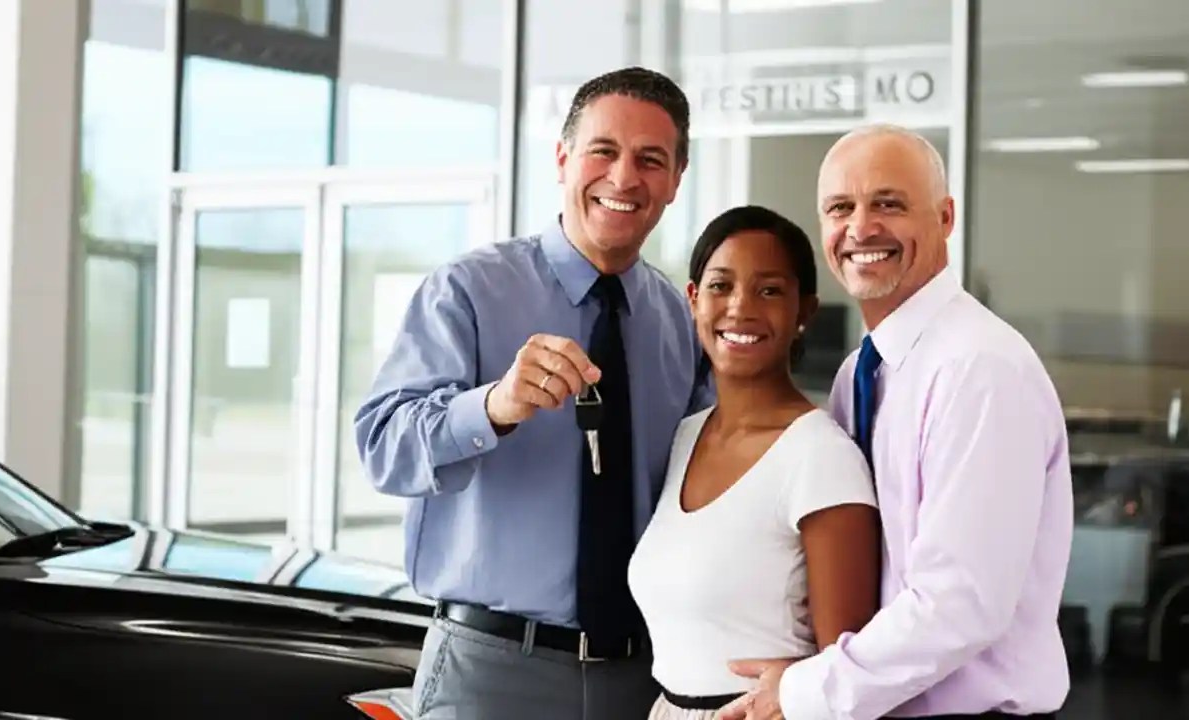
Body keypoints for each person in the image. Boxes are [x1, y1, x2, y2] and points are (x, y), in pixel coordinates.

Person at [353, 66, 713, 720]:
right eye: (603, 150)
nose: (624, 177)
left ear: (675, 181)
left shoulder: (681, 324)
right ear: (562, 158)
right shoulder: (467, 290)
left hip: (641, 677)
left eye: (651, 160)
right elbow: (381, 446)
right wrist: (491, 407)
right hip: (491, 674)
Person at [716, 124, 1074, 720]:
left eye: (888, 203)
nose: (860, 229)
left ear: (945, 218)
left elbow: (959, 604)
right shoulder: (861, 372)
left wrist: (807, 690)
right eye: (840, 208)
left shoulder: (977, 370)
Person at [628, 205, 882, 720]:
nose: (740, 308)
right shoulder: (686, 436)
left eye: (769, 290)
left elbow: (847, 674)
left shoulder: (820, 456)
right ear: (694, 299)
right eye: (721, 286)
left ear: (804, 310)